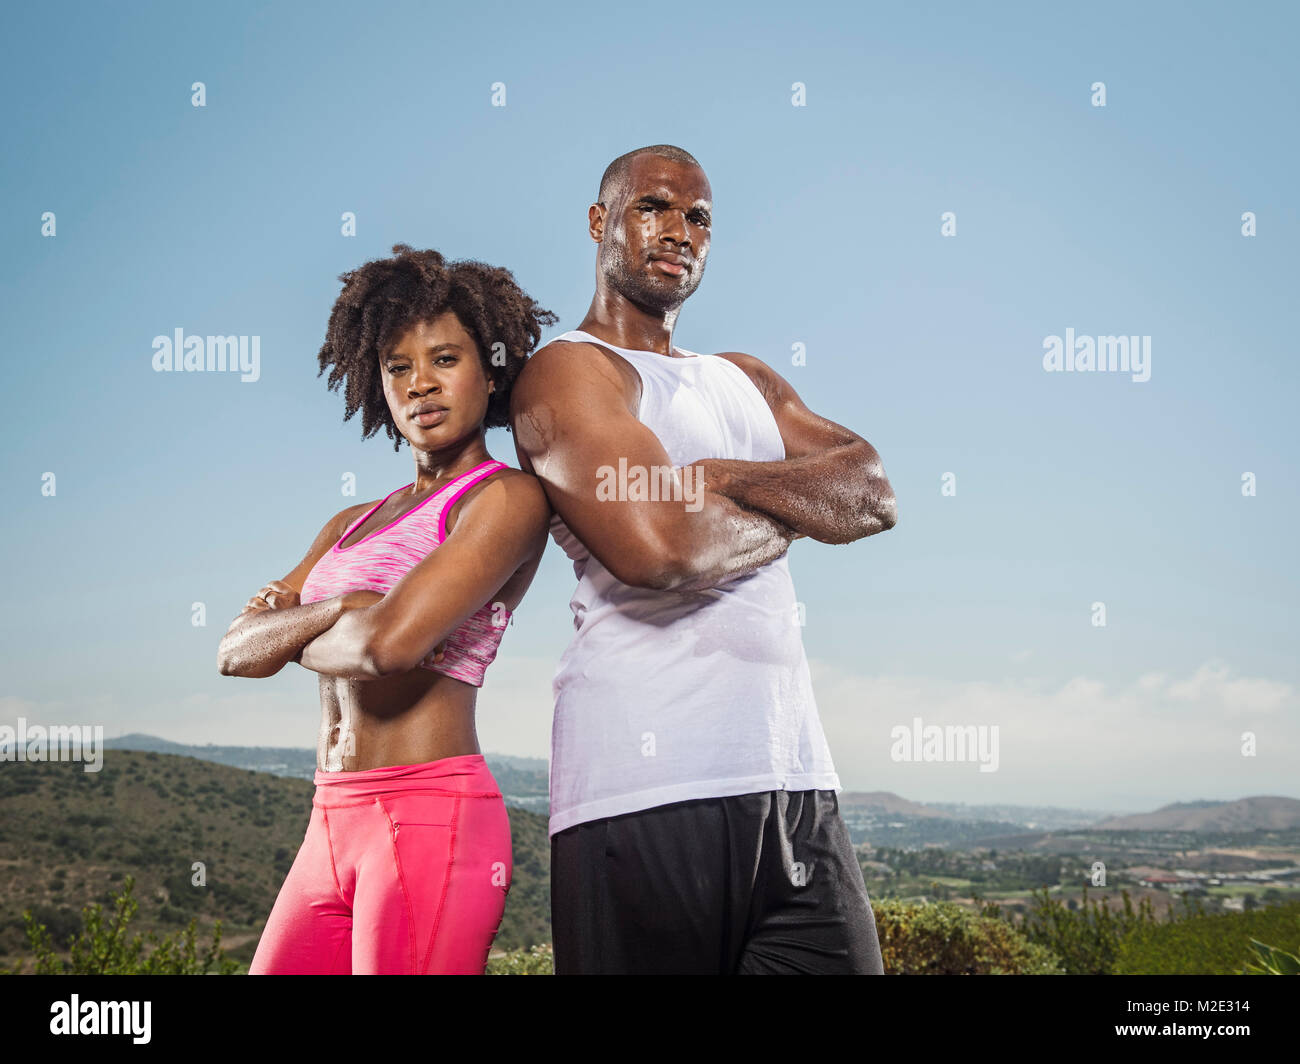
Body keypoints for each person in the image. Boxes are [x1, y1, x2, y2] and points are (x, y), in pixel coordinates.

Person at [509, 145, 898, 974]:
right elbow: (660, 549)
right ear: (599, 221)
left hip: (795, 782)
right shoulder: (569, 371)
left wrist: (720, 478)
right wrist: (798, 507)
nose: (679, 230)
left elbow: (869, 494)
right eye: (653, 207)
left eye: (699, 218)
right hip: (643, 787)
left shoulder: (744, 378)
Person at [218, 244, 555, 974]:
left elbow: (388, 648)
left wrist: (297, 629)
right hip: (329, 820)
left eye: (445, 359)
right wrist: (343, 604)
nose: (420, 385)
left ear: (491, 370)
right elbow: (235, 652)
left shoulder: (505, 500)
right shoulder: (348, 524)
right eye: (398, 367)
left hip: (431, 815)